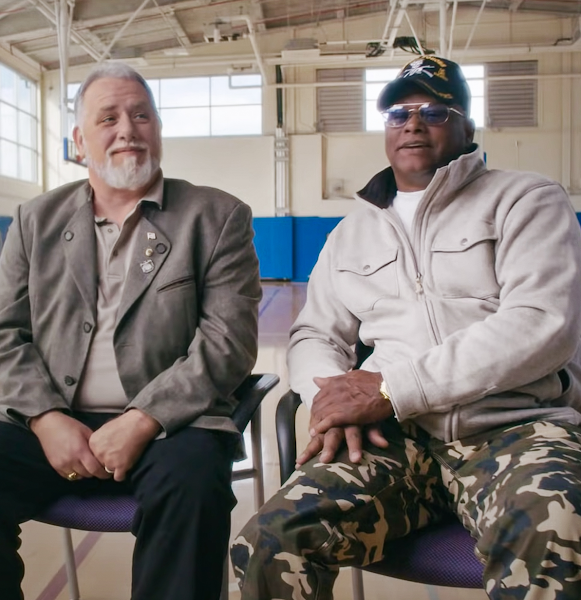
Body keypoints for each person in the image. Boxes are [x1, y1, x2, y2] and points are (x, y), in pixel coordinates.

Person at [231, 55, 581, 600]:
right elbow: (314, 336)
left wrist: (391, 389)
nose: (413, 123)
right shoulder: (350, 234)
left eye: (434, 110)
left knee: (555, 536)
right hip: (392, 438)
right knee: (269, 542)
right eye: (398, 113)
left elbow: (541, 324)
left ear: (468, 125)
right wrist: (332, 401)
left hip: (516, 428)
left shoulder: (526, 199)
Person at [0, 61, 261, 600]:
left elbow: (227, 343)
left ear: (157, 130)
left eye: (141, 115)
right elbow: (4, 337)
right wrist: (44, 417)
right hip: (49, 420)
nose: (127, 129)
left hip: (172, 425)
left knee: (195, 486)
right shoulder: (34, 220)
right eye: (107, 118)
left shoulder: (216, 216)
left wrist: (143, 419)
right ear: (79, 141)